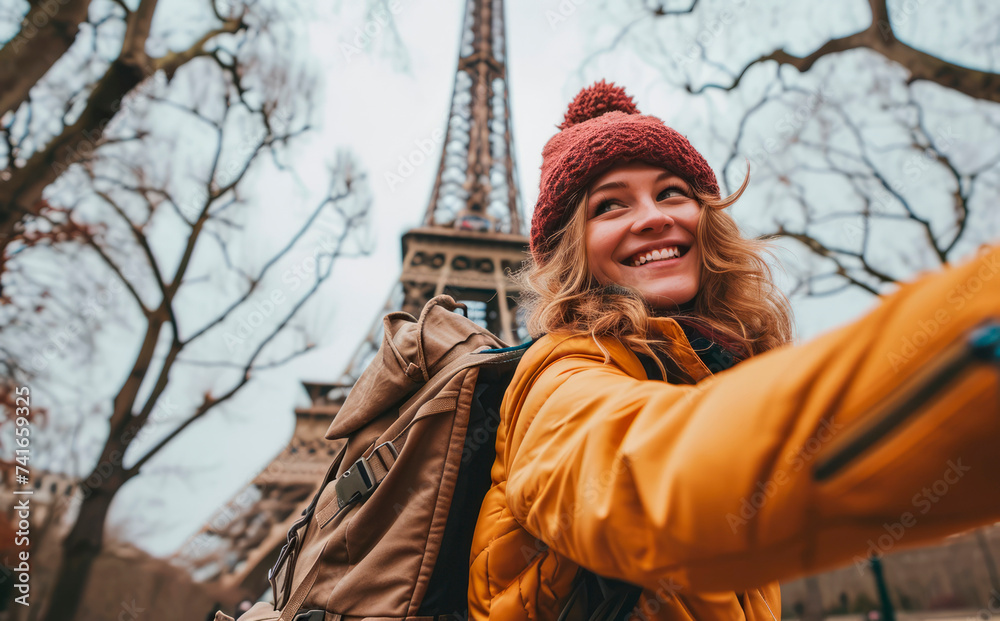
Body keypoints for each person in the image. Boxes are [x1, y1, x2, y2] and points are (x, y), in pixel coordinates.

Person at [467, 81, 1000, 620]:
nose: (653, 217)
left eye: (671, 192)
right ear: (569, 250)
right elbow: (657, 484)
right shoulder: (557, 377)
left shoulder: (706, 366)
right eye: (609, 205)